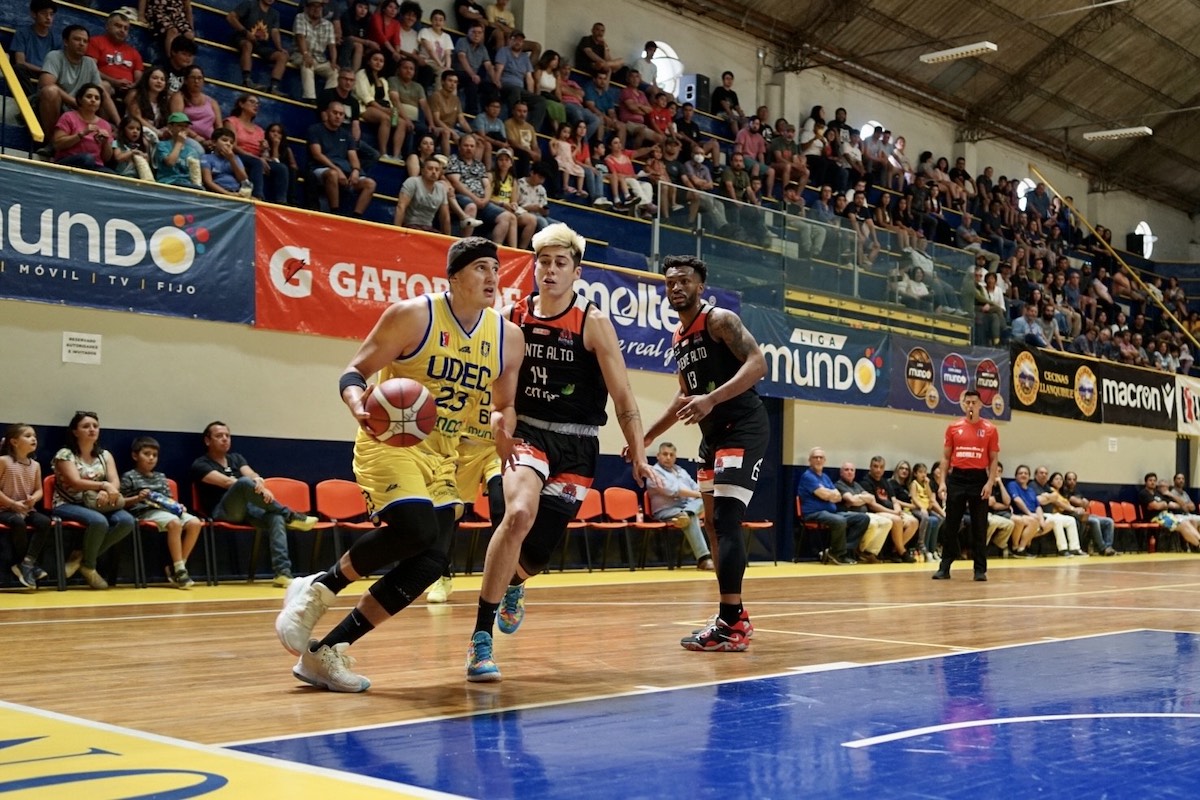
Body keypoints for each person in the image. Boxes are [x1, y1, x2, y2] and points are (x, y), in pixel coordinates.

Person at [276, 236, 524, 692]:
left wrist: (501, 427)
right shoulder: (414, 315)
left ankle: (324, 653)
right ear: (453, 277)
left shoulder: (508, 336)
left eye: (495, 268)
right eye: (480, 268)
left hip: (446, 454)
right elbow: (355, 371)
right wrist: (356, 401)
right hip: (390, 440)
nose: (492, 277)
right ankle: (315, 592)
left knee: (430, 563)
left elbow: (503, 404)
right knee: (415, 529)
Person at [465, 224, 657, 681]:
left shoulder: (593, 322)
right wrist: (499, 426)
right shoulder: (514, 317)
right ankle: (480, 639)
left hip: (577, 443)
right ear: (534, 266)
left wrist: (640, 451)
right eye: (543, 261)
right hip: (528, 433)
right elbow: (503, 390)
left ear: (577, 271)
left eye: (560, 263)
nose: (549, 270)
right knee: (516, 516)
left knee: (535, 555)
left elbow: (624, 397)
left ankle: (514, 583)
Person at [642, 255, 768, 652]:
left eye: (684, 281)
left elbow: (758, 363)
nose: (676, 287)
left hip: (743, 426)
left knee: (728, 520)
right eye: (670, 283)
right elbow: (682, 396)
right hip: (712, 436)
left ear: (701, 286)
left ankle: (731, 623)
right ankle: (735, 617)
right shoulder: (679, 338)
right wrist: (643, 437)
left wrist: (711, 399)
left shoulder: (720, 321)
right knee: (713, 524)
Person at [190, 421, 316, 588]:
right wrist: (255, 486)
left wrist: (259, 483)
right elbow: (229, 482)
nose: (225, 439)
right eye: (219, 436)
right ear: (207, 441)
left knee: (275, 517)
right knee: (242, 483)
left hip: (249, 511)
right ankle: (290, 515)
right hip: (223, 512)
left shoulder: (236, 458)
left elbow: (251, 474)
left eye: (227, 436)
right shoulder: (200, 464)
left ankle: (282, 574)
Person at [52, 411, 135, 590]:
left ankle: (83, 559)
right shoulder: (65, 454)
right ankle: (90, 568)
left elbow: (115, 483)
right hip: (68, 503)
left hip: (100, 503)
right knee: (99, 522)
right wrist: (103, 486)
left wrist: (107, 490)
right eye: (86, 426)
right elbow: (75, 482)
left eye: (95, 426)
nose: (92, 430)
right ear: (75, 431)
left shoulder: (105, 455)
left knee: (127, 521)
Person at [931, 389, 1000, 581]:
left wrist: (989, 482)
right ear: (963, 404)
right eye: (967, 402)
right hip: (957, 479)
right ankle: (944, 566)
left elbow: (994, 459)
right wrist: (943, 482)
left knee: (979, 526)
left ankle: (979, 569)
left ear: (980, 405)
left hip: (978, 479)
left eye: (974, 402)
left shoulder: (990, 429)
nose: (970, 405)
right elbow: (945, 457)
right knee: (951, 525)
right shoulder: (953, 427)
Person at [120, 436, 203, 588]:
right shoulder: (129, 477)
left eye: (154, 455)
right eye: (147, 454)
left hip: (166, 511)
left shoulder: (160, 477)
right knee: (174, 522)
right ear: (135, 456)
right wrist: (137, 498)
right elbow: (121, 503)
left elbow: (170, 500)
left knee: (195, 522)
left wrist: (179, 506)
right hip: (145, 512)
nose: (151, 458)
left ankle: (178, 566)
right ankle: (180, 571)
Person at [796, 447, 868, 565]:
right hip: (814, 513)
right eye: (815, 457)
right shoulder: (808, 476)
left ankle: (839, 550)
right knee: (839, 520)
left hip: (830, 513)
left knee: (863, 518)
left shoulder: (825, 477)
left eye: (821, 457)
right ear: (810, 460)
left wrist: (829, 493)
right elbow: (824, 495)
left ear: (824, 460)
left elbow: (838, 496)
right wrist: (829, 494)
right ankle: (837, 553)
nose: (818, 460)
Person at [647, 441, 713, 570]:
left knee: (708, 500)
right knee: (693, 515)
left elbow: (696, 486)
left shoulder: (680, 471)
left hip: (686, 507)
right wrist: (698, 495)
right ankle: (704, 558)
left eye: (671, 455)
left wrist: (701, 495)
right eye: (665, 454)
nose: (668, 457)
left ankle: (686, 514)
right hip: (666, 511)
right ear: (658, 456)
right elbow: (672, 490)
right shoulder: (653, 472)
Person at [3, 424, 53, 590]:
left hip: (26, 508)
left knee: (44, 522)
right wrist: (12, 504)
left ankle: (27, 563)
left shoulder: (35, 465)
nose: (34, 439)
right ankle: (28, 565)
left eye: (35, 436)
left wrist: (34, 499)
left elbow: (39, 490)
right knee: (18, 522)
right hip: (4, 509)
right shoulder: (4, 461)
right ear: (14, 442)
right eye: (28, 435)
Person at [307, 101, 378, 217]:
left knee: (370, 183)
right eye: (335, 113)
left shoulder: (346, 135)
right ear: (327, 113)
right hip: (321, 168)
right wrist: (336, 169)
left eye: (341, 114)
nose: (338, 116)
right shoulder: (315, 130)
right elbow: (317, 154)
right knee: (333, 174)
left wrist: (355, 171)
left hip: (344, 170)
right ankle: (335, 212)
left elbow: (353, 157)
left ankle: (356, 217)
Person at [226, 94, 290, 204]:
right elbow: (233, 145)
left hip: (257, 158)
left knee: (281, 168)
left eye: (257, 104)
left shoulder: (259, 130)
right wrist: (256, 158)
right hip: (238, 154)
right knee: (257, 162)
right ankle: (257, 196)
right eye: (252, 102)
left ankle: (281, 201)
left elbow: (264, 152)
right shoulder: (231, 121)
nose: (256, 105)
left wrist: (264, 153)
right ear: (241, 104)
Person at [227, 0, 289, 94]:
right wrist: (245, 32)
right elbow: (230, 17)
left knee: (283, 56)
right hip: (243, 38)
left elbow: (275, 31)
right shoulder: (249, 4)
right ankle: (246, 80)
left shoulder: (275, 14)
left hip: (261, 45)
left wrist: (280, 48)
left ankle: (273, 87)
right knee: (248, 45)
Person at [51, 83, 115, 172]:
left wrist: (105, 142)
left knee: (112, 176)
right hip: (68, 161)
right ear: (80, 100)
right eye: (89, 97)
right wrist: (82, 134)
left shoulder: (106, 125)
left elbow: (106, 158)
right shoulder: (68, 117)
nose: (93, 100)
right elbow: (58, 144)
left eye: (97, 98)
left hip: (95, 165)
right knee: (87, 159)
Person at [86, 11, 143, 101]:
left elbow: (139, 77)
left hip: (128, 90)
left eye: (126, 28)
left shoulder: (133, 52)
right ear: (107, 26)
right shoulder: (95, 42)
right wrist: (113, 81)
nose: (122, 30)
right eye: (118, 26)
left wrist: (133, 86)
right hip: (104, 84)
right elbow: (90, 68)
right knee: (105, 86)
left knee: (136, 94)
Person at [1061, 471, 1117, 556]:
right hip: (1073, 516)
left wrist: (1081, 502)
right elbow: (1079, 502)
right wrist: (1081, 502)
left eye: (1074, 479)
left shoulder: (1077, 491)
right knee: (1095, 521)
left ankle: (1108, 547)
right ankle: (1102, 548)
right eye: (1069, 479)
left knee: (1109, 521)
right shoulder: (1064, 492)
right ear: (1065, 481)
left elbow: (1087, 504)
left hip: (1085, 514)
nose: (1072, 481)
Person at [293, 0, 339, 102]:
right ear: (307, 8)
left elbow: (332, 46)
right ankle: (310, 98)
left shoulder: (328, 25)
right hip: (300, 53)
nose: (316, 9)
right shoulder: (300, 17)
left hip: (320, 58)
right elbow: (300, 38)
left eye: (319, 7)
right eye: (313, 6)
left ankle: (326, 101)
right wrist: (305, 54)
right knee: (307, 64)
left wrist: (334, 61)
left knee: (335, 72)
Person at [394, 155, 451, 235]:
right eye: (430, 169)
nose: (434, 172)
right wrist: (397, 231)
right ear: (423, 170)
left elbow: (445, 217)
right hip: (409, 226)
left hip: (428, 229)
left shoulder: (441, 188)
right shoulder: (412, 182)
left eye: (437, 170)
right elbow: (401, 207)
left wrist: (448, 239)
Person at [10, 0, 61, 90]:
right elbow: (20, 62)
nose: (48, 18)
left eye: (51, 14)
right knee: (18, 68)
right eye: (44, 13)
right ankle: (31, 99)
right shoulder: (22, 33)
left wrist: (47, 72)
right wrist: (43, 70)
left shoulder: (56, 38)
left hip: (47, 74)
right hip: (29, 71)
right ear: (34, 14)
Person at [153, 111, 204, 187]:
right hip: (168, 182)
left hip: (187, 184)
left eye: (186, 126)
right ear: (170, 127)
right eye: (179, 125)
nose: (183, 128)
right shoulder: (162, 145)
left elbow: (195, 174)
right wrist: (179, 143)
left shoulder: (192, 150)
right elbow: (170, 163)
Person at [200, 126, 251, 196]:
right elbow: (208, 181)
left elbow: (243, 180)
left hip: (236, 191)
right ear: (214, 142)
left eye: (231, 142)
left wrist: (232, 159)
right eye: (224, 140)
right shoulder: (207, 158)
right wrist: (228, 194)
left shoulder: (235, 158)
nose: (228, 144)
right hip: (217, 193)